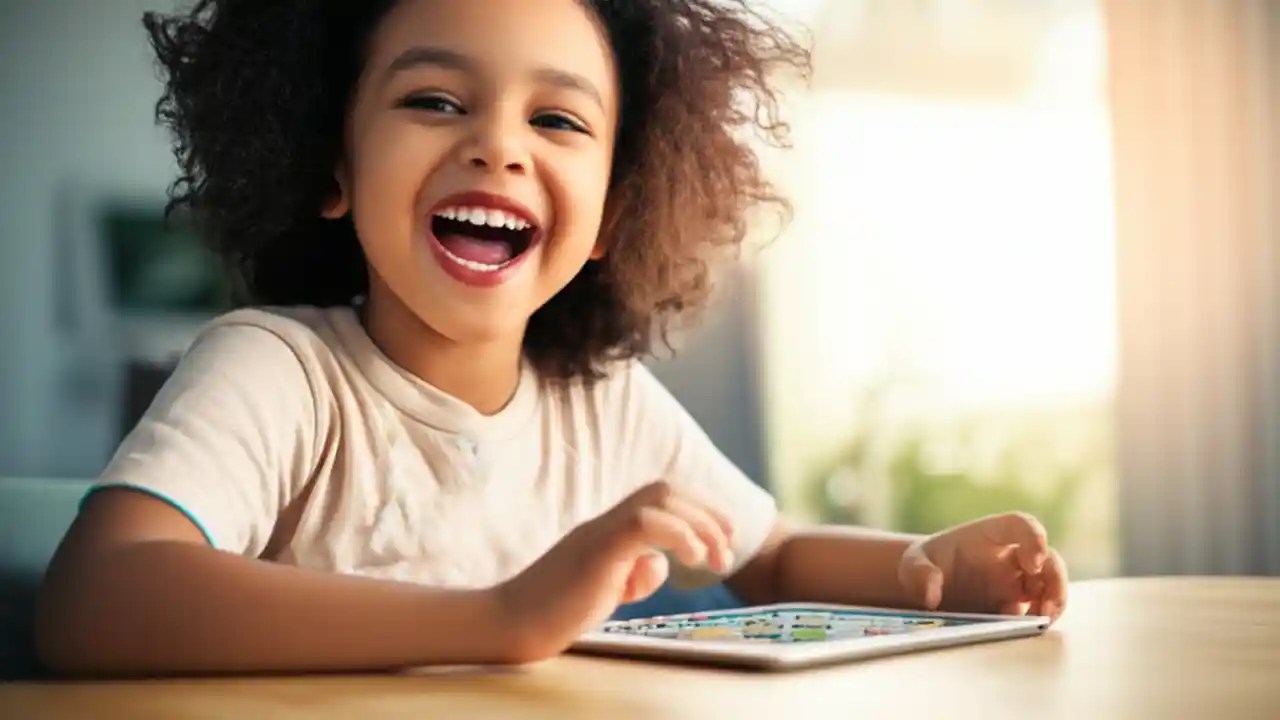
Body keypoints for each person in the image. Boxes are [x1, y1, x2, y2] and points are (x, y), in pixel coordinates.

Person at [35, 0, 1068, 676]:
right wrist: (502, 618)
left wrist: (921, 568)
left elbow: (772, 554)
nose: (497, 145)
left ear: (615, 212)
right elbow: (93, 599)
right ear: (331, 166)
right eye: (435, 101)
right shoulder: (278, 371)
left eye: (559, 121)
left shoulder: (602, 404)